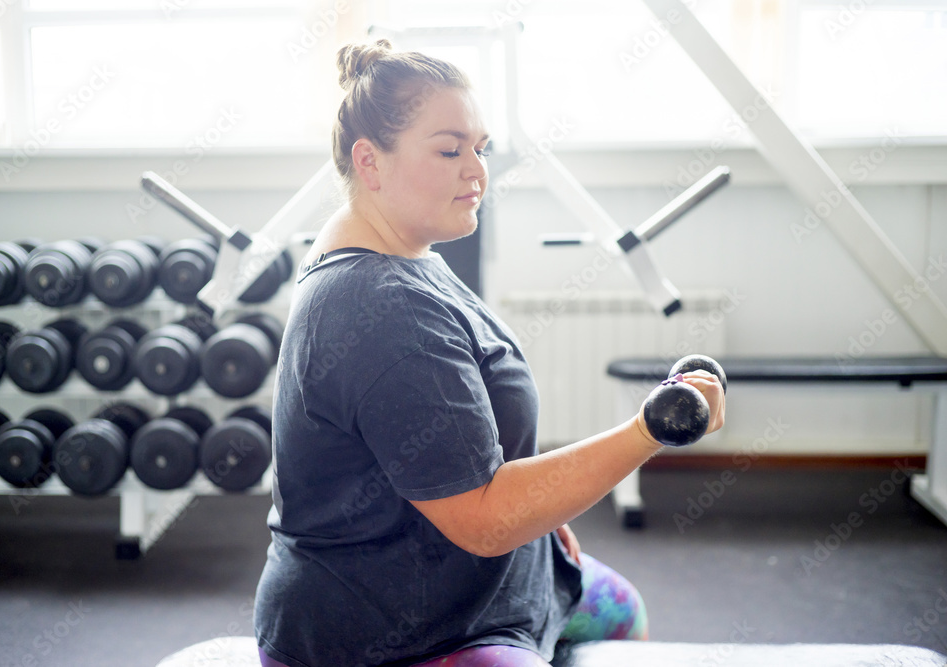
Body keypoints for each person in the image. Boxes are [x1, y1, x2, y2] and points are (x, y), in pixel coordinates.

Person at [253, 39, 725, 667]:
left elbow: (453, 438)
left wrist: (544, 509)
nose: (477, 171)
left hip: (468, 577)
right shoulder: (383, 306)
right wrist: (649, 430)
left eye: (481, 148)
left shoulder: (401, 252)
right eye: (450, 150)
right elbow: (483, 519)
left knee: (621, 609)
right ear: (370, 162)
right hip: (384, 630)